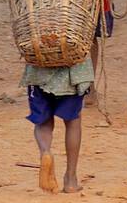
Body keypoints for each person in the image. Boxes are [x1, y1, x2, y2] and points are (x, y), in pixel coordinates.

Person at [23, 55, 93, 194]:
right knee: (73, 120)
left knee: (43, 122)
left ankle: (45, 152)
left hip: (39, 72)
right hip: (72, 73)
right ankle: (70, 180)